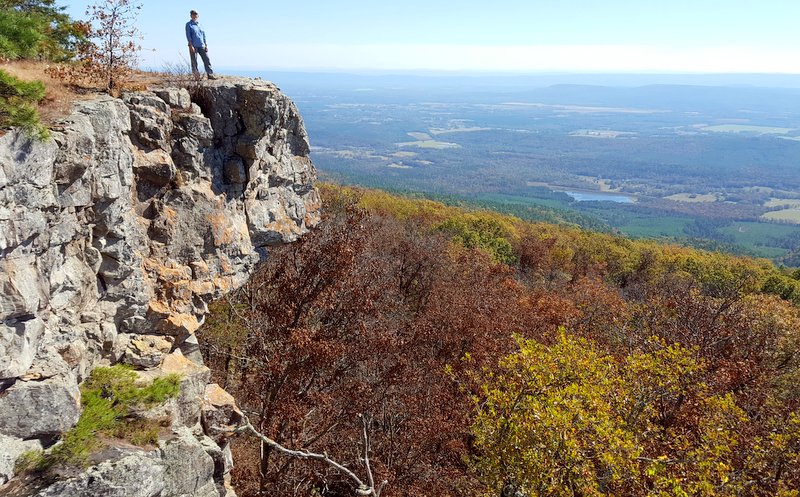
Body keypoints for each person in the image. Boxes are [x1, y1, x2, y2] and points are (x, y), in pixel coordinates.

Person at [185, 10, 215, 80]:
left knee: (207, 59)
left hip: (202, 45)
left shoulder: (200, 25)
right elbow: (188, 35)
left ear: (198, 15)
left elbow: (203, 35)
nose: (194, 15)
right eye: (193, 14)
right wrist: (190, 45)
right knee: (194, 61)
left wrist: (206, 45)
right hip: (193, 45)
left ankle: (210, 74)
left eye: (196, 14)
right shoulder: (188, 24)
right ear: (191, 15)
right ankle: (196, 76)